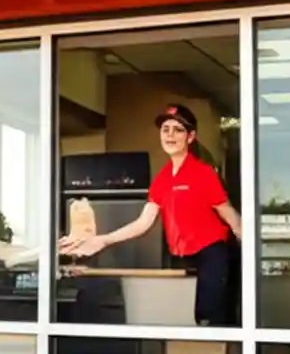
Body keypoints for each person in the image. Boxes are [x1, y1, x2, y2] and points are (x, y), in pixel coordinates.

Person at [59, 104, 242, 326]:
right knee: (183, 319)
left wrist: (248, 245)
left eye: (178, 130)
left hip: (212, 255)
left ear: (191, 136)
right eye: (166, 129)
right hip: (181, 258)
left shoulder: (203, 174)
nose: (170, 135)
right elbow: (143, 223)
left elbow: (230, 215)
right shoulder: (162, 180)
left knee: (210, 319)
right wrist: (102, 240)